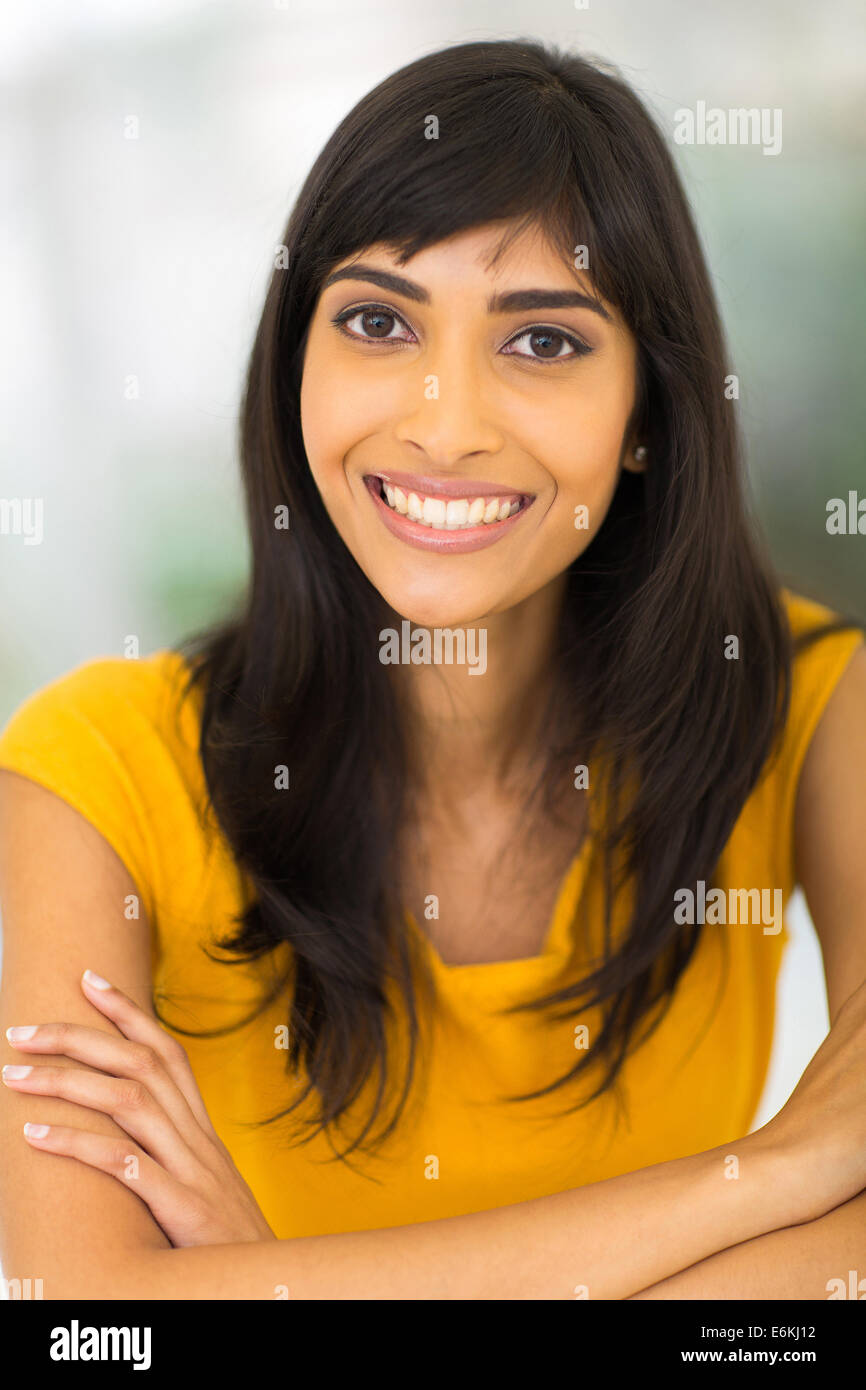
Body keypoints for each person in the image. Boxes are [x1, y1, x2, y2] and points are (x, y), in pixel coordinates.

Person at [1, 38, 865, 1301]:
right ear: (295, 362)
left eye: (544, 343)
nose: (445, 423)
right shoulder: (93, 776)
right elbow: (91, 1323)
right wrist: (768, 1172)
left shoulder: (812, 707)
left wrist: (274, 1287)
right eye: (374, 321)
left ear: (648, 414)